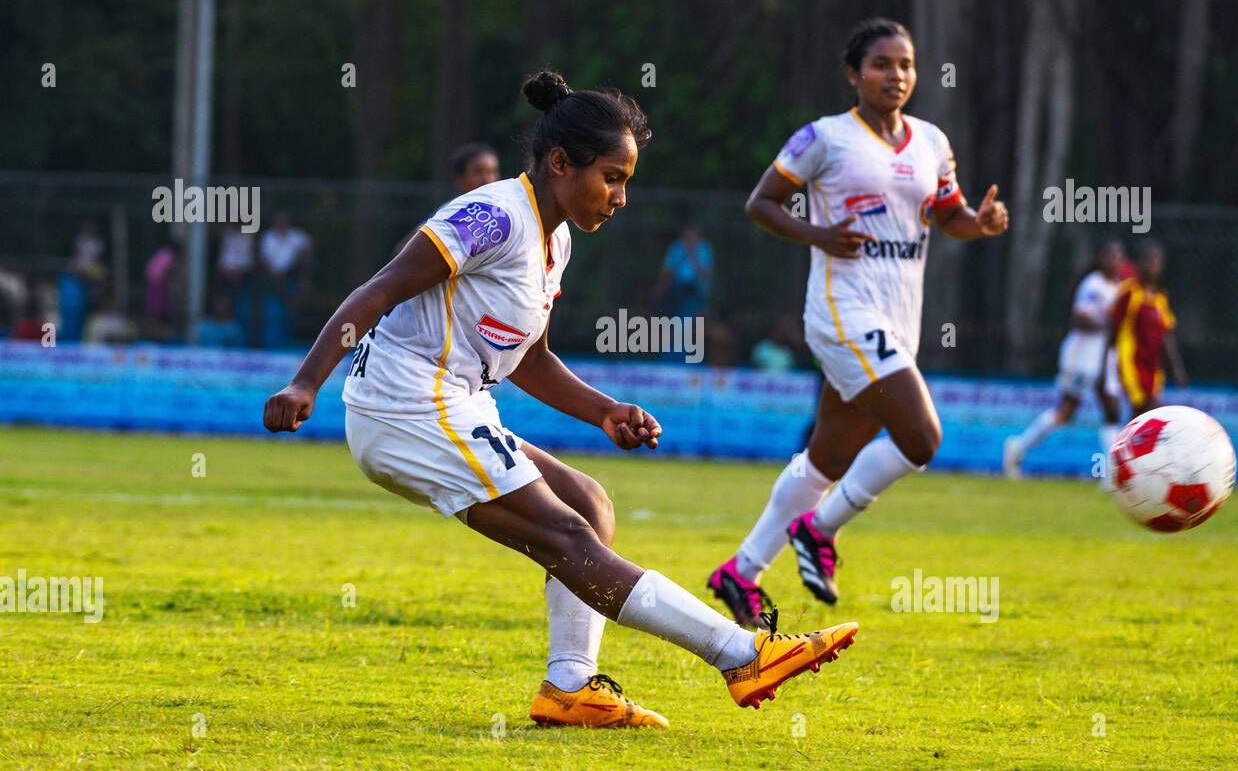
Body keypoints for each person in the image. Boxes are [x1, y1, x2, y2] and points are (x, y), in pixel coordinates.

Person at [263, 71, 858, 727]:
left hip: (452, 405)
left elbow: (534, 359)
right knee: (567, 536)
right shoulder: (490, 217)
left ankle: (569, 687)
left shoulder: (558, 238)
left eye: (625, 180)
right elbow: (375, 292)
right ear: (558, 163)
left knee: (587, 504)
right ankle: (739, 652)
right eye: (613, 176)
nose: (621, 197)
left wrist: (604, 410)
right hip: (407, 410)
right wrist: (307, 381)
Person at [706, 18, 1009, 625]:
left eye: (906, 64)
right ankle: (818, 530)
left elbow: (947, 212)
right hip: (843, 312)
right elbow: (760, 203)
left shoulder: (930, 141)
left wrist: (978, 223)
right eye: (881, 64)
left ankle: (740, 572)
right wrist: (818, 233)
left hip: (901, 317)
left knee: (827, 458)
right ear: (853, 73)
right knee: (922, 438)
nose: (895, 75)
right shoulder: (824, 138)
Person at [1003, 239, 1127, 479]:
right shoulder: (1093, 285)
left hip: (1103, 358)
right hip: (1082, 357)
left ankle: (1110, 474)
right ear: (1101, 258)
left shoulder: (1118, 287)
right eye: (1111, 256)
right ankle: (1018, 447)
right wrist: (1110, 323)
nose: (1115, 261)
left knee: (1106, 410)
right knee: (1075, 410)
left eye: (1119, 256)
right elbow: (1080, 319)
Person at [1107, 242, 1187, 417]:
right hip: (1131, 363)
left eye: (1156, 261)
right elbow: (1114, 327)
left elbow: (1166, 335)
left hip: (1153, 366)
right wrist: (1107, 363)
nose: (1153, 266)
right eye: (1148, 261)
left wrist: (1176, 367)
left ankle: (1127, 444)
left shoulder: (1160, 297)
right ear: (1138, 264)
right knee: (1151, 409)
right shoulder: (1130, 292)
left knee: (1141, 415)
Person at [259, 213, 312, 349]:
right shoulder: (268, 237)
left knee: (293, 313)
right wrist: (275, 275)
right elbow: (264, 260)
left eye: (284, 220)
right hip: (272, 280)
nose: (281, 223)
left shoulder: (298, 237)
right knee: (273, 315)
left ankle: (289, 345)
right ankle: (271, 347)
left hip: (292, 277)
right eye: (278, 220)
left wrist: (301, 276)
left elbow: (308, 255)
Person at [654, 224, 713, 320]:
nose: (689, 239)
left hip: (695, 288)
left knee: (688, 309)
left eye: (692, 236)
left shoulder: (704, 249)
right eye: (687, 236)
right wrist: (661, 287)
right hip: (676, 287)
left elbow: (706, 274)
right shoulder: (677, 247)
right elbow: (667, 270)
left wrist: (693, 255)